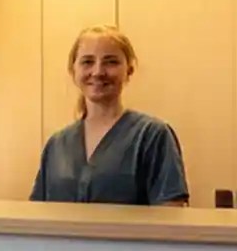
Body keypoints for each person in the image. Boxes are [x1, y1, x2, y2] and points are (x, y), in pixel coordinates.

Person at [30, 24, 189, 206]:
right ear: (73, 71)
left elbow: (171, 216)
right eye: (87, 61)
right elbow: (38, 214)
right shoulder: (56, 145)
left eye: (111, 62)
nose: (98, 72)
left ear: (129, 70)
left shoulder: (152, 136)